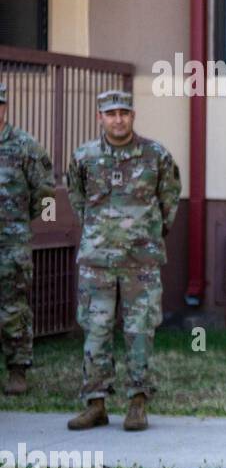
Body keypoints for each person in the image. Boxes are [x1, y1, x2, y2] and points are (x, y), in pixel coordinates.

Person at [66, 89, 181, 431]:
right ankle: (96, 403)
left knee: (140, 331)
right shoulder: (84, 156)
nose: (118, 119)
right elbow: (77, 198)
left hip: (140, 262)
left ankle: (137, 402)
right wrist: (99, 232)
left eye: (124, 113)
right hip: (96, 262)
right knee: (96, 331)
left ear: (133, 116)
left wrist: (147, 235)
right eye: (111, 113)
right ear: (100, 117)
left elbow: (169, 201)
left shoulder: (155, 155)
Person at [0, 82, 56, 396]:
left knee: (14, 308)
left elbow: (45, 192)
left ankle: (17, 370)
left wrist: (23, 222)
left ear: (5, 107)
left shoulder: (25, 146)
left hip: (11, 243)